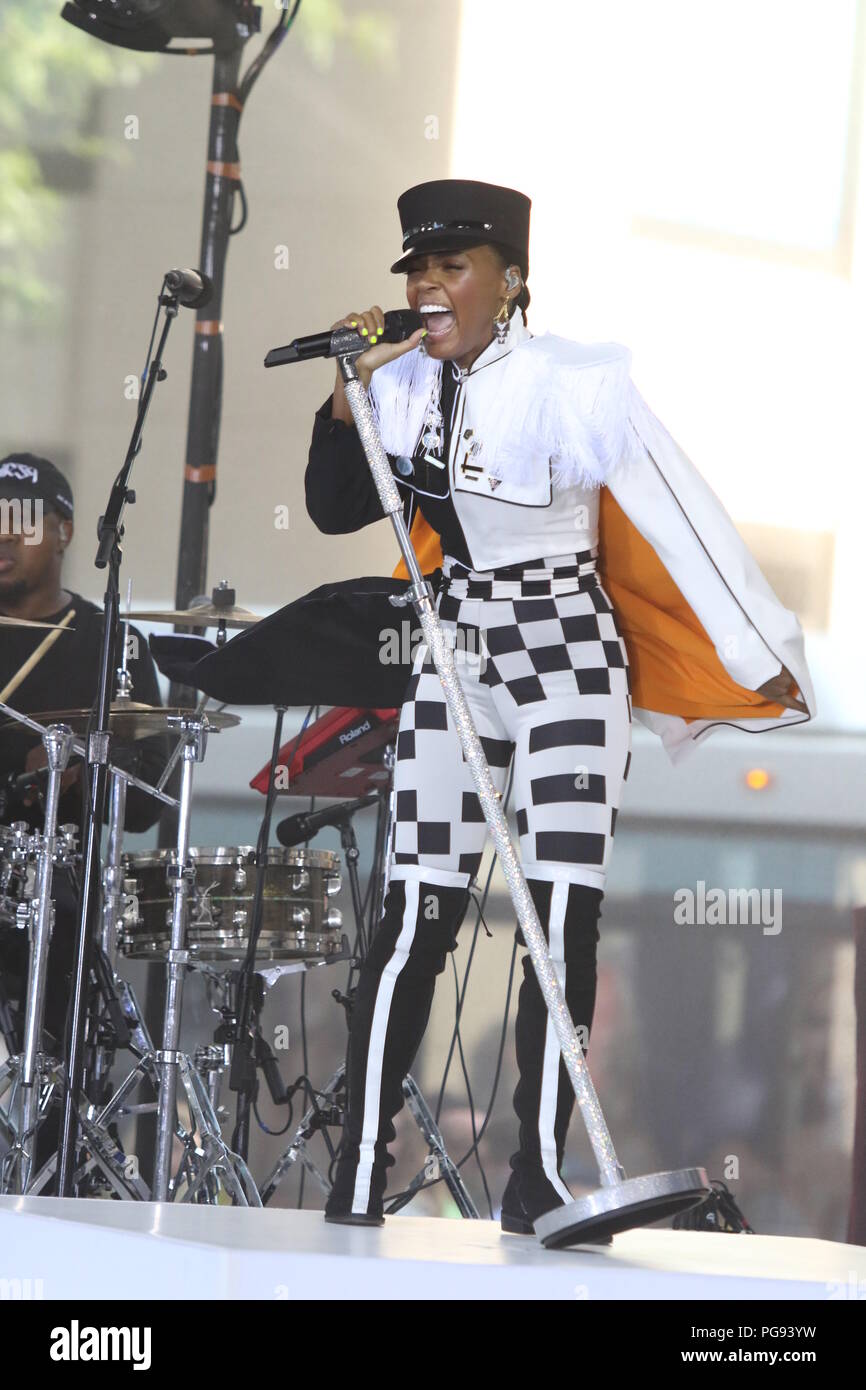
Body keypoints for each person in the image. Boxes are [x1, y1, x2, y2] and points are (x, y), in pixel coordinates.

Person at [305, 179, 814, 1232]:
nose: (427, 287)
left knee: (557, 917)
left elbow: (674, 505)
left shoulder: (571, 379)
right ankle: (354, 1172)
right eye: (416, 269)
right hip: (454, 651)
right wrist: (345, 388)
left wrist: (754, 642)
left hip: (565, 656)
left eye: (450, 267)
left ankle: (532, 1172)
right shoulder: (395, 384)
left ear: (508, 279)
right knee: (412, 912)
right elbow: (333, 506)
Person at [0, 452, 167, 1094]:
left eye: (22, 519)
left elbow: (150, 802)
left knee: (66, 935)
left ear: (65, 530)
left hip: (57, 886)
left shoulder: (111, 645)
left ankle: (54, 1138)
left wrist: (81, 771)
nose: (4, 533)